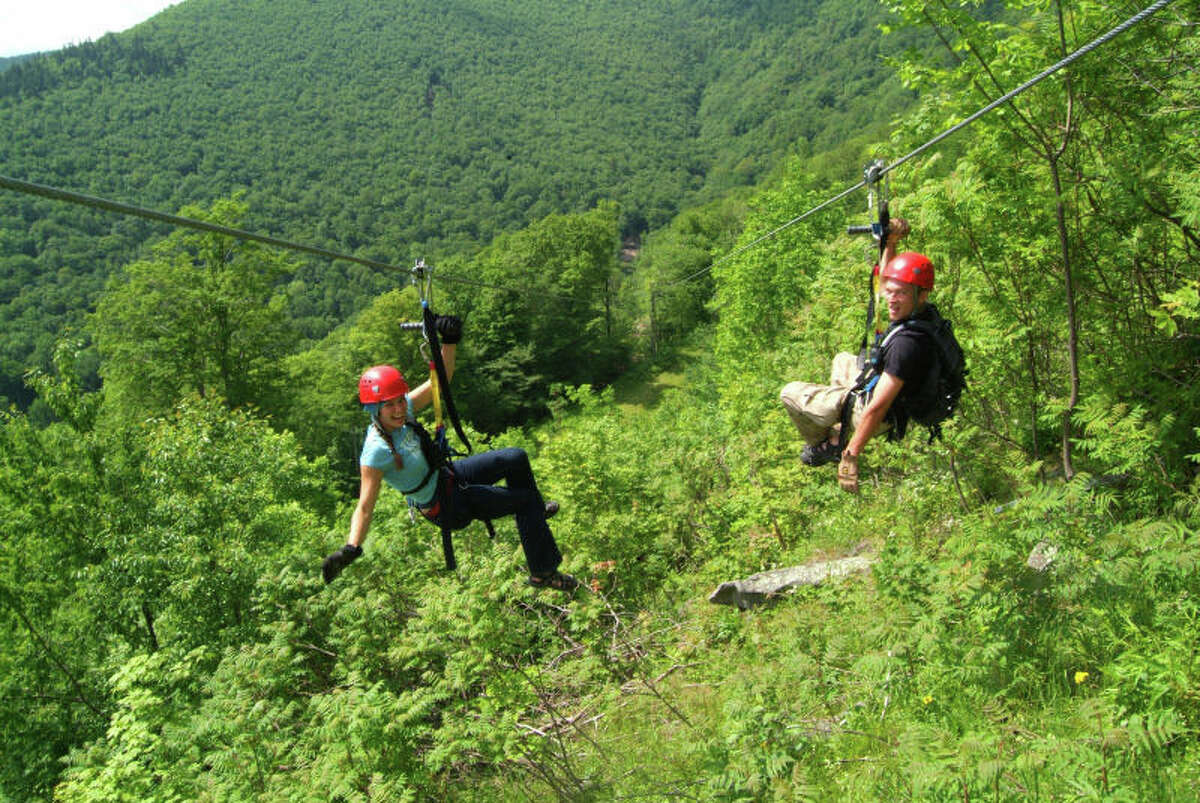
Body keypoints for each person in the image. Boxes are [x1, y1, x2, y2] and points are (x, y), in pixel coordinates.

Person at [322, 314, 578, 591]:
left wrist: (450, 341)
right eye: (390, 406)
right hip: (446, 505)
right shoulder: (376, 452)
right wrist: (351, 548)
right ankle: (544, 572)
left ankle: (534, 518)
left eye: (400, 401)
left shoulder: (403, 411)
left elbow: (440, 383)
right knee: (526, 500)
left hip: (449, 476)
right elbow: (364, 507)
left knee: (516, 457)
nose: (399, 409)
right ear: (374, 410)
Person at [779, 218, 939, 493]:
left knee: (789, 394)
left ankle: (829, 443)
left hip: (876, 410)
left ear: (920, 294)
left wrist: (851, 455)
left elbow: (878, 406)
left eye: (900, 293)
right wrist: (890, 243)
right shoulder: (921, 314)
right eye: (890, 291)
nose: (891, 298)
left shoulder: (906, 346)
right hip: (884, 396)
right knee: (842, 359)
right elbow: (887, 282)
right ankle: (840, 419)